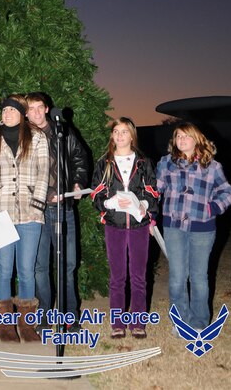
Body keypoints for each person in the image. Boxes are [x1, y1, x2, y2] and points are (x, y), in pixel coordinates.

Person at [0, 94, 49, 343]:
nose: (7, 113)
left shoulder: (37, 137)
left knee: (27, 270)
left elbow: (44, 172)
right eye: (4, 110)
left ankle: (27, 325)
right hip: (1, 213)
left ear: (22, 113)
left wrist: (37, 205)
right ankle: (6, 326)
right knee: (3, 269)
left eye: (12, 110)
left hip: (30, 213)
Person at [156, 122, 231, 330]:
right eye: (178, 136)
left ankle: (199, 321)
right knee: (177, 277)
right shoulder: (166, 163)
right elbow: (155, 190)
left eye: (186, 136)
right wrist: (145, 206)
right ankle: (180, 321)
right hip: (173, 227)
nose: (181, 140)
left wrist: (212, 208)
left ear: (197, 139)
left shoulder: (212, 166)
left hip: (203, 229)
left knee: (199, 277)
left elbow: (227, 192)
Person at [90, 117, 159, 338]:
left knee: (139, 276)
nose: (120, 136)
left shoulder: (144, 162)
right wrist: (110, 203)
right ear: (112, 136)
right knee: (117, 277)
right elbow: (95, 193)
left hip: (139, 225)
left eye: (124, 132)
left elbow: (153, 191)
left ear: (132, 136)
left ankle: (138, 322)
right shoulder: (104, 163)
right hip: (114, 226)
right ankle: (117, 323)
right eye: (116, 132)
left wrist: (144, 204)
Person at [26, 92, 89, 330]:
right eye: (30, 109)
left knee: (68, 265)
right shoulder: (23, 137)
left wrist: (78, 184)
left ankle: (69, 315)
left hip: (64, 208)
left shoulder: (63, 131)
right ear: (26, 113)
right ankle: (43, 314)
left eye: (39, 107)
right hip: (37, 211)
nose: (35, 112)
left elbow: (79, 159)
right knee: (40, 266)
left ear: (46, 108)